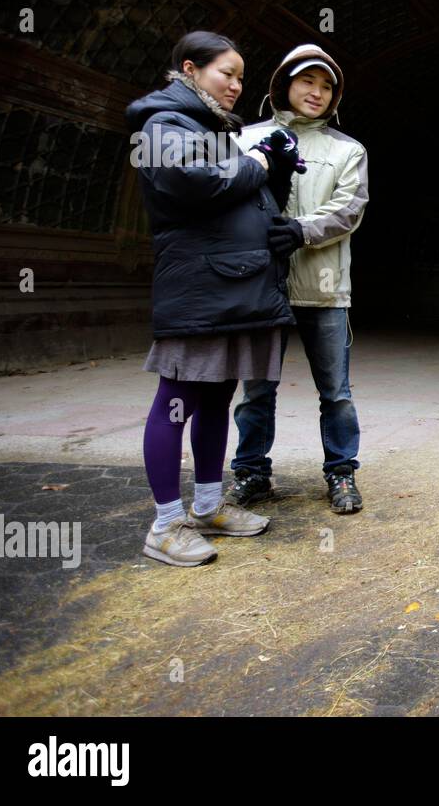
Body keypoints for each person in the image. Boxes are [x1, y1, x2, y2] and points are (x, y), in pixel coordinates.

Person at [126, 31, 307, 566]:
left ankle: (207, 506)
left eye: (241, 79)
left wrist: (277, 207)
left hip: (235, 288)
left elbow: (235, 196)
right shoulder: (161, 124)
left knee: (214, 399)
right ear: (190, 68)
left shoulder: (212, 129)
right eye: (225, 73)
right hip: (198, 291)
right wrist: (258, 163)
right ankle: (164, 526)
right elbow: (191, 182)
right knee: (176, 401)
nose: (234, 86)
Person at [230, 45, 370, 514]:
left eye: (327, 86)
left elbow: (350, 208)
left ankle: (341, 473)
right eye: (307, 81)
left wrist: (301, 230)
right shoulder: (245, 140)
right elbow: (226, 200)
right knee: (256, 390)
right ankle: (251, 473)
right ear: (284, 85)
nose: (317, 92)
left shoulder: (347, 150)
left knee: (336, 392)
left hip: (325, 288)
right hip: (259, 286)